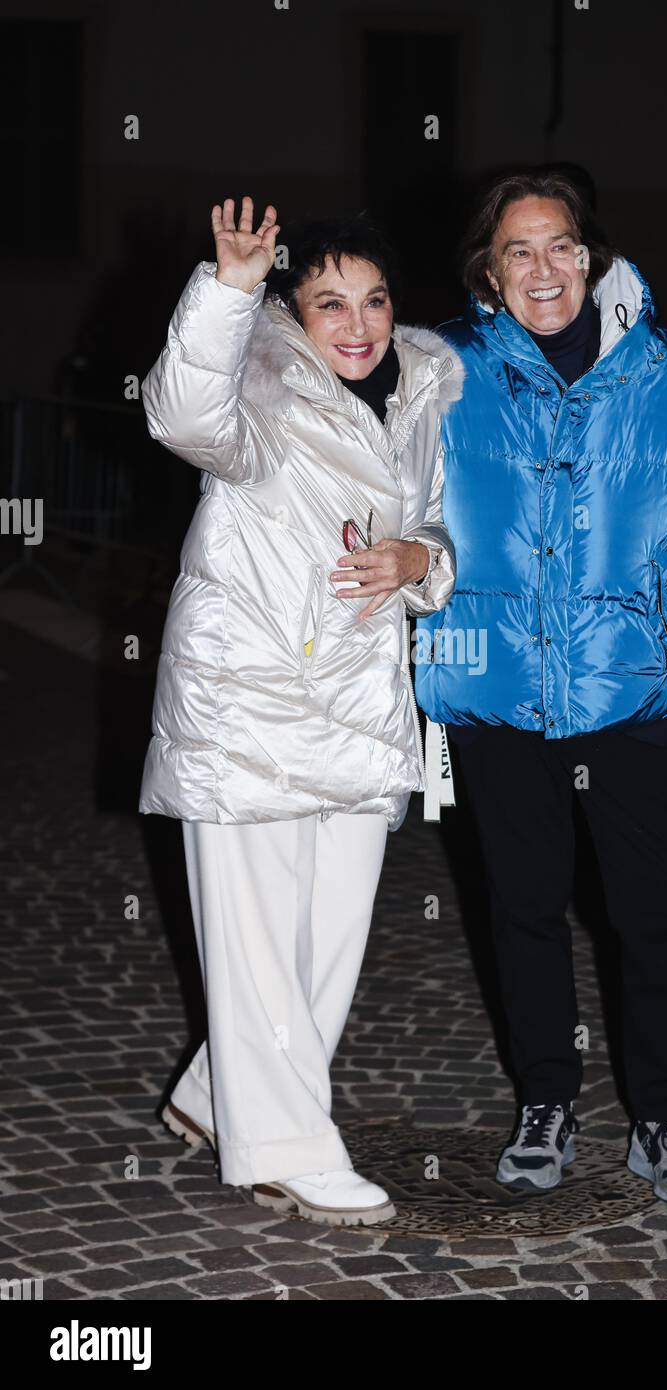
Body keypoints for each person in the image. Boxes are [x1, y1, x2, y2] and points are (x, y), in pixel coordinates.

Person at [414, 170, 667, 1204]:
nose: (543, 268)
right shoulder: (443, 371)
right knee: (523, 910)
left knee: (653, 916)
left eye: (560, 246)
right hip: (499, 690)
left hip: (634, 692)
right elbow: (356, 477)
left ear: (590, 259)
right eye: (519, 251)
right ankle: (546, 1098)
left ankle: (664, 1118)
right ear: (488, 271)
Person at [141, 196, 462, 1226]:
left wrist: (423, 562)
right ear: (294, 310)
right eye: (330, 302)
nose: (358, 323)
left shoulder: (417, 400)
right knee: (254, 936)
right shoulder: (259, 387)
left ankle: (212, 1094)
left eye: (373, 300)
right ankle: (280, 1147)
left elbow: (443, 534)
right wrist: (228, 288)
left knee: (330, 941)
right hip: (252, 701)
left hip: (363, 704)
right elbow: (180, 416)